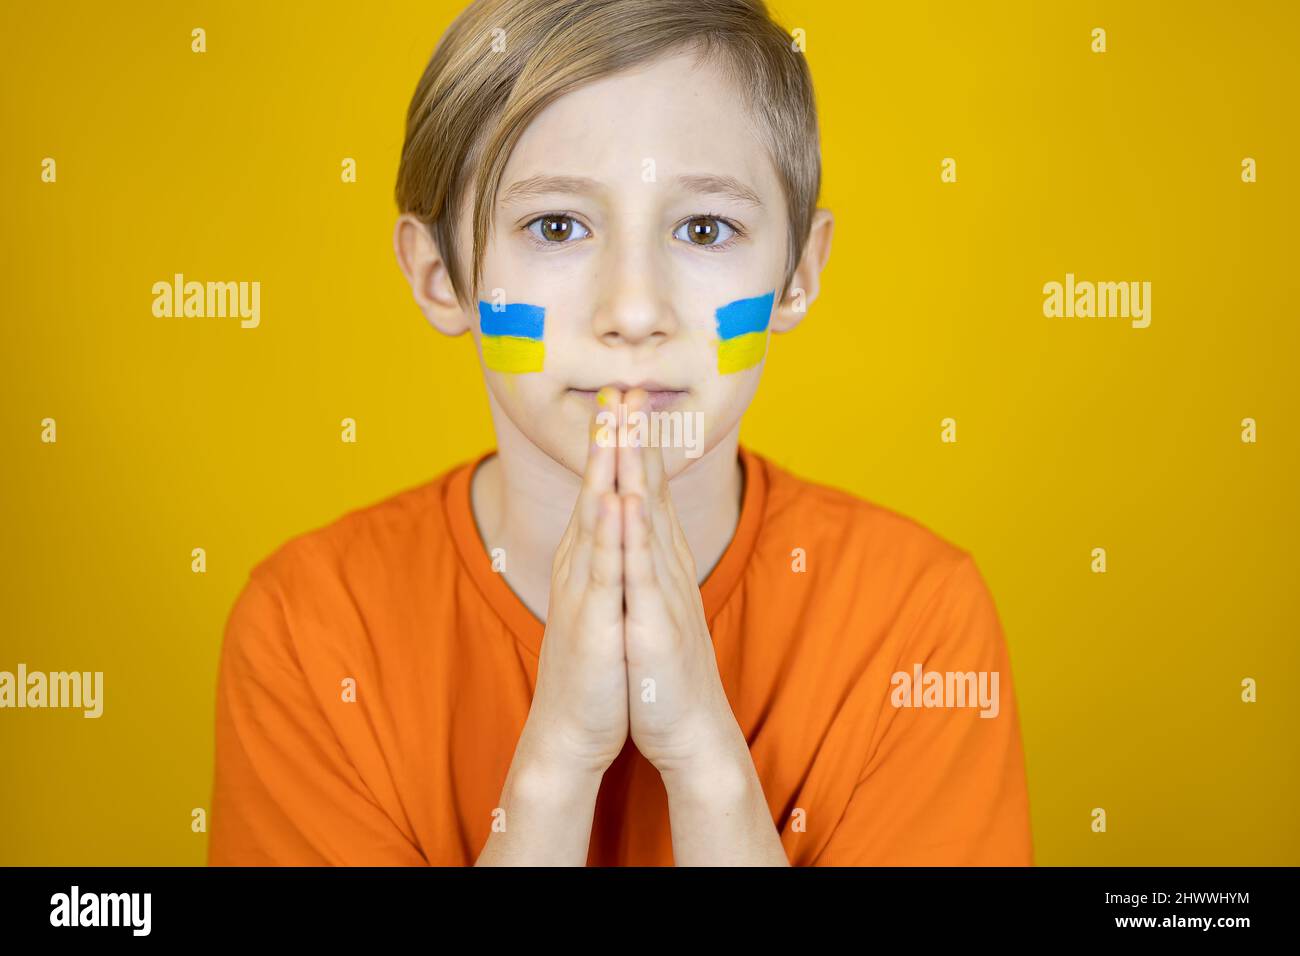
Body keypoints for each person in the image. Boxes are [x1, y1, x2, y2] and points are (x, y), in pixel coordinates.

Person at [208, 0, 1033, 866]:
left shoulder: (918, 623)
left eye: (704, 228)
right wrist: (558, 760)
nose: (635, 311)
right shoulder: (309, 631)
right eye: (556, 226)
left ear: (798, 274)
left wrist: (705, 761)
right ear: (438, 275)